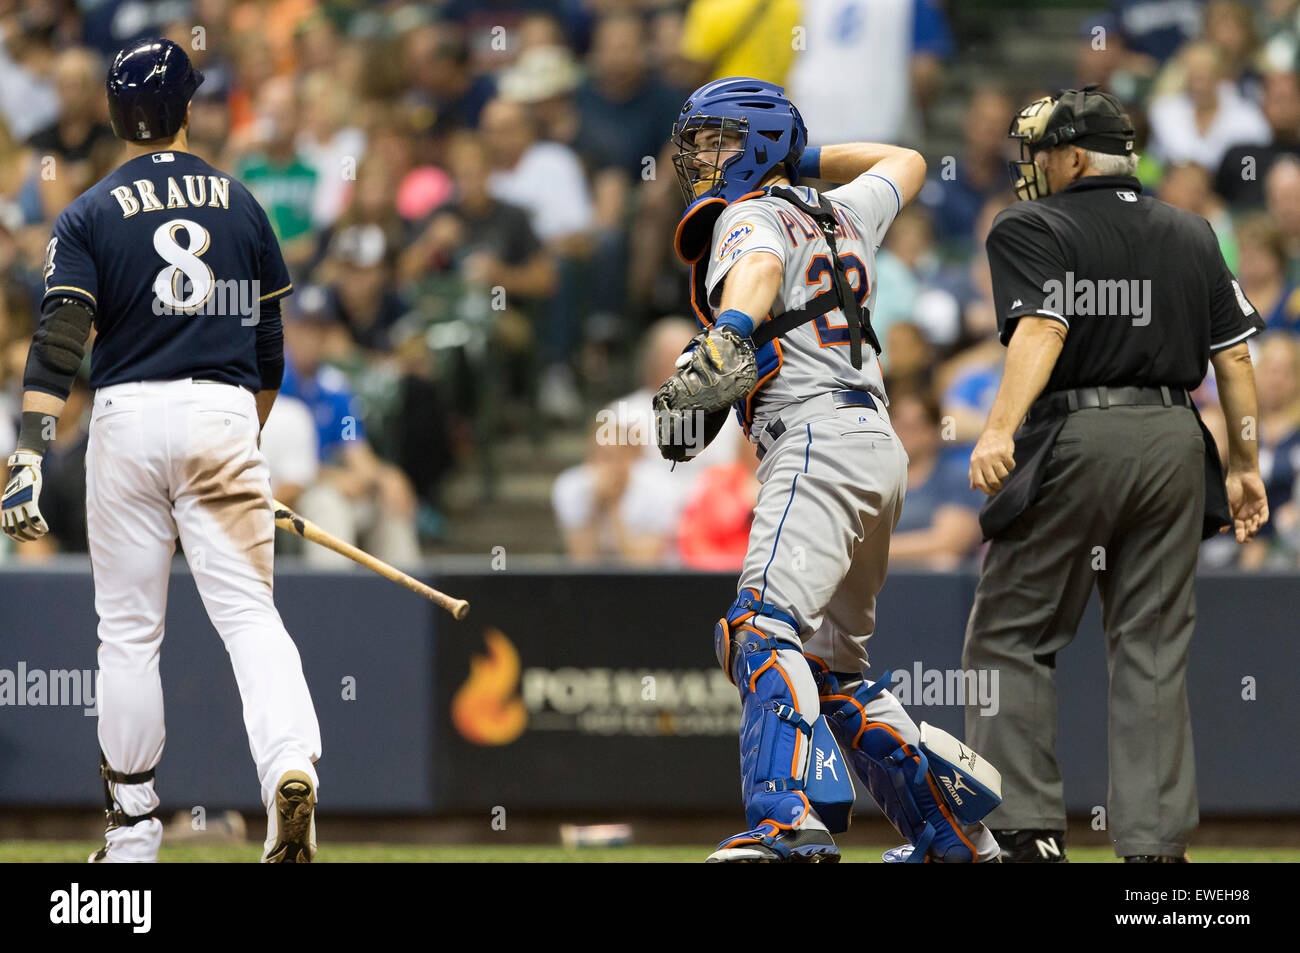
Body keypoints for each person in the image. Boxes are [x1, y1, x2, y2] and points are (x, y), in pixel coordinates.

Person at [657, 77, 1004, 863]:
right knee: (833, 670)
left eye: (720, 141)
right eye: (703, 143)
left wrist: (733, 330)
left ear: (758, 145)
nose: (704, 159)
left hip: (812, 439)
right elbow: (906, 159)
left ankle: (782, 821)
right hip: (876, 448)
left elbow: (755, 271)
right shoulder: (844, 209)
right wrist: (800, 158)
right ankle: (952, 838)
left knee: (758, 627)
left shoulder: (746, 216)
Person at [0, 39, 321, 863]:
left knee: (129, 634)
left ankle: (135, 830)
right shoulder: (243, 204)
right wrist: (238, 454)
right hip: (221, 411)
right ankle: (289, 767)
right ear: (188, 109)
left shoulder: (89, 210)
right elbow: (271, 352)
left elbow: (60, 337)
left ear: (114, 114)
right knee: (250, 617)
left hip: (126, 418)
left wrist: (29, 453)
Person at [964, 87, 1268, 863]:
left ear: (1073, 156)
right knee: (1153, 644)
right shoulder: (1191, 228)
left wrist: (998, 426)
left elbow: (1043, 325)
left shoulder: (1033, 223)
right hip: (1174, 436)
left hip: (1078, 432)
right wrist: (1243, 464)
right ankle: (1155, 849)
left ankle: (1024, 832)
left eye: (1040, 154)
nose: (1031, 168)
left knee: (1012, 633)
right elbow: (1233, 357)